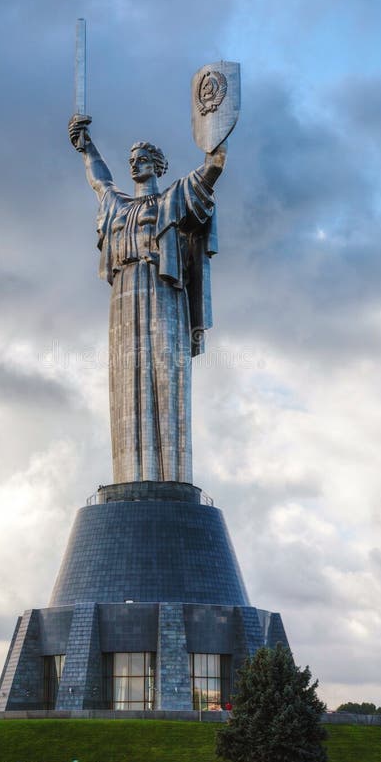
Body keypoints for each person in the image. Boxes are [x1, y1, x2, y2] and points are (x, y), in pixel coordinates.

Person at [69, 113, 227, 484]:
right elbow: (99, 181)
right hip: (124, 294)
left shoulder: (172, 199)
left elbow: (211, 170)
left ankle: (170, 477)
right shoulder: (118, 207)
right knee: (128, 377)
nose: (134, 163)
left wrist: (217, 138)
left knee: (163, 371)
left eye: (142, 158)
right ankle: (131, 477)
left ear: (157, 165)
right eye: (131, 160)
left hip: (162, 288)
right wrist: (85, 146)